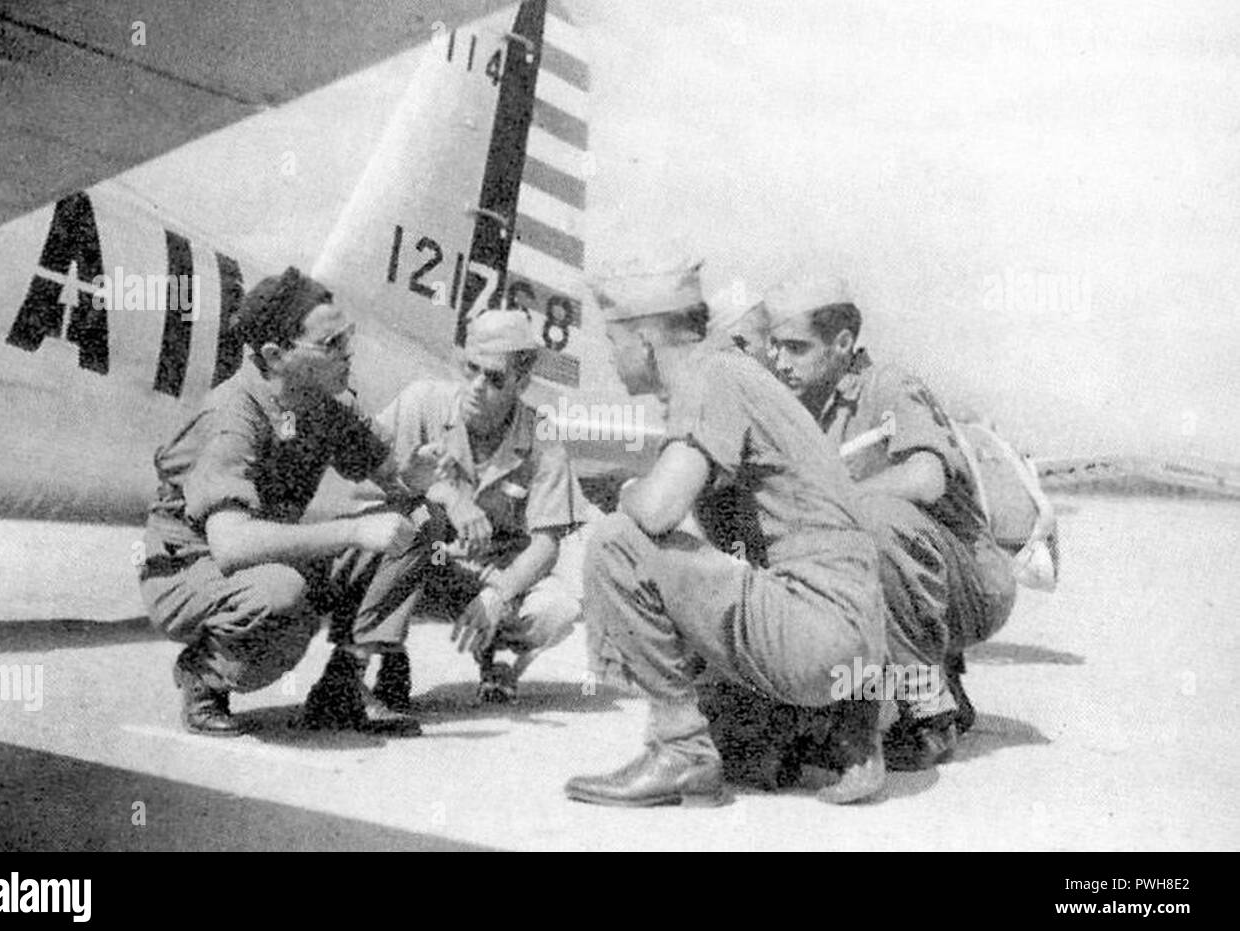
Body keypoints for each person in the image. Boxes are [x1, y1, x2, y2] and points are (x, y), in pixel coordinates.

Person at [564, 259, 888, 808]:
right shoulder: (737, 373)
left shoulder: (708, 374)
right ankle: (816, 732)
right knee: (736, 738)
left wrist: (626, 492)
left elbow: (659, 511)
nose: (612, 359)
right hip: (851, 650)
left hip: (817, 635)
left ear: (645, 343)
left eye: (613, 342)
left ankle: (681, 753)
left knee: (618, 542)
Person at [139, 267, 441, 738]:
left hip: (268, 555)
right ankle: (205, 675)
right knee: (282, 596)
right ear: (275, 356)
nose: (348, 352)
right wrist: (353, 531)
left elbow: (394, 478)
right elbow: (232, 545)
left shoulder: (324, 401)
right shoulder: (232, 416)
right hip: (190, 570)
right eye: (332, 344)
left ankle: (342, 686)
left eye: (348, 337)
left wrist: (415, 476)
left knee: (418, 523)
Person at [765, 275, 1017, 768]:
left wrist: (835, 502)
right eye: (775, 347)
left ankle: (927, 712)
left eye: (796, 348)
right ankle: (924, 687)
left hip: (972, 586)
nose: (780, 361)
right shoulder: (798, 410)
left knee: (875, 519)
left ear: (842, 344)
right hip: (913, 580)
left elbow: (926, 480)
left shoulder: (889, 386)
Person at [371, 307, 590, 705]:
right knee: (388, 534)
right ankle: (381, 654)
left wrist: (499, 595)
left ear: (521, 383)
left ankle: (499, 659)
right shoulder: (422, 403)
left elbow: (546, 545)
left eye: (493, 378)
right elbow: (367, 477)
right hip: (425, 565)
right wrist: (445, 494)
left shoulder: (542, 436)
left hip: (493, 572)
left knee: (556, 609)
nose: (475, 386)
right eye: (470, 368)